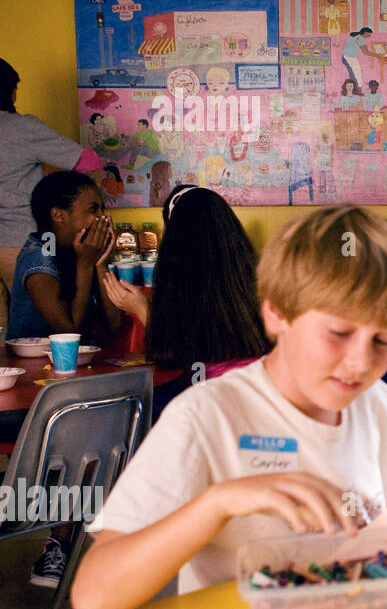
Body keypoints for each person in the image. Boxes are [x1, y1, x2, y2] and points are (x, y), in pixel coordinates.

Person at [72, 205, 387, 609]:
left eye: (382, 341)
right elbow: (93, 599)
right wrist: (217, 504)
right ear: (277, 314)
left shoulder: (378, 404)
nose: (360, 363)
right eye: (339, 334)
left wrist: (369, 535)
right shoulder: (205, 418)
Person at [100, 184, 271, 416]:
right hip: (260, 398)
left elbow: (177, 353)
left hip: (218, 404)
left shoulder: (186, 283)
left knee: (130, 408)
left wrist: (140, 308)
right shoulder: (249, 275)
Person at [0, 58, 101, 321]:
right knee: (40, 328)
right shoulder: (22, 128)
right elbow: (88, 161)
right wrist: (46, 173)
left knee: (2, 337)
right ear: (11, 90)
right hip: (23, 240)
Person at [8, 171, 121, 341]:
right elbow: (70, 333)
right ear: (59, 215)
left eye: (102, 209)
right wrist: (85, 265)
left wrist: (101, 261)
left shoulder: (79, 249)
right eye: (93, 209)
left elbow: (115, 326)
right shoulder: (40, 254)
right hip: (34, 364)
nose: (102, 217)